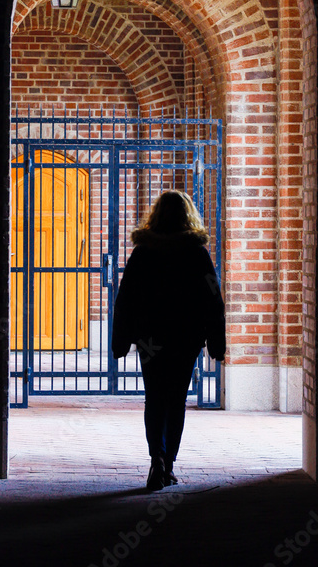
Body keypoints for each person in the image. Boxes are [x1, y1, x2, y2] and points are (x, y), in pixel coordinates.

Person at [111, 189, 226, 490]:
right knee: (176, 400)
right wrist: (216, 341)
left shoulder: (144, 251)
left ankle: (156, 459)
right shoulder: (196, 253)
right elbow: (213, 299)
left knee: (155, 397)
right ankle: (169, 463)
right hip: (185, 337)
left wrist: (121, 340)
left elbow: (126, 299)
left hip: (151, 336)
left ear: (157, 215)